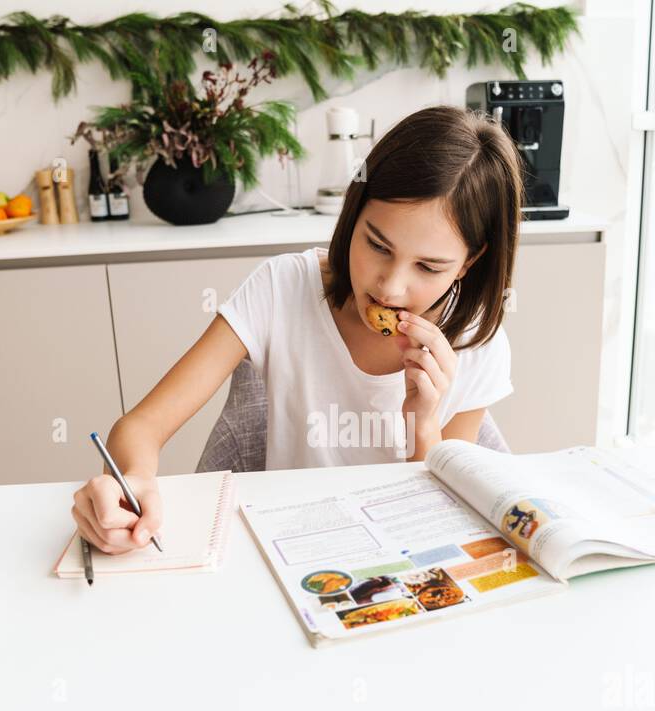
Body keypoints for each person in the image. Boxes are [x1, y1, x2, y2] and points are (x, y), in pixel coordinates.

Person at [72, 105, 525, 555]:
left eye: (428, 266)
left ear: (470, 260)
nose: (391, 285)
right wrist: (131, 482)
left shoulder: (476, 343)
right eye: (376, 244)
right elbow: (142, 425)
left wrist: (423, 423)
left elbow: (431, 520)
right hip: (287, 546)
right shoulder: (282, 287)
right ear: (354, 213)